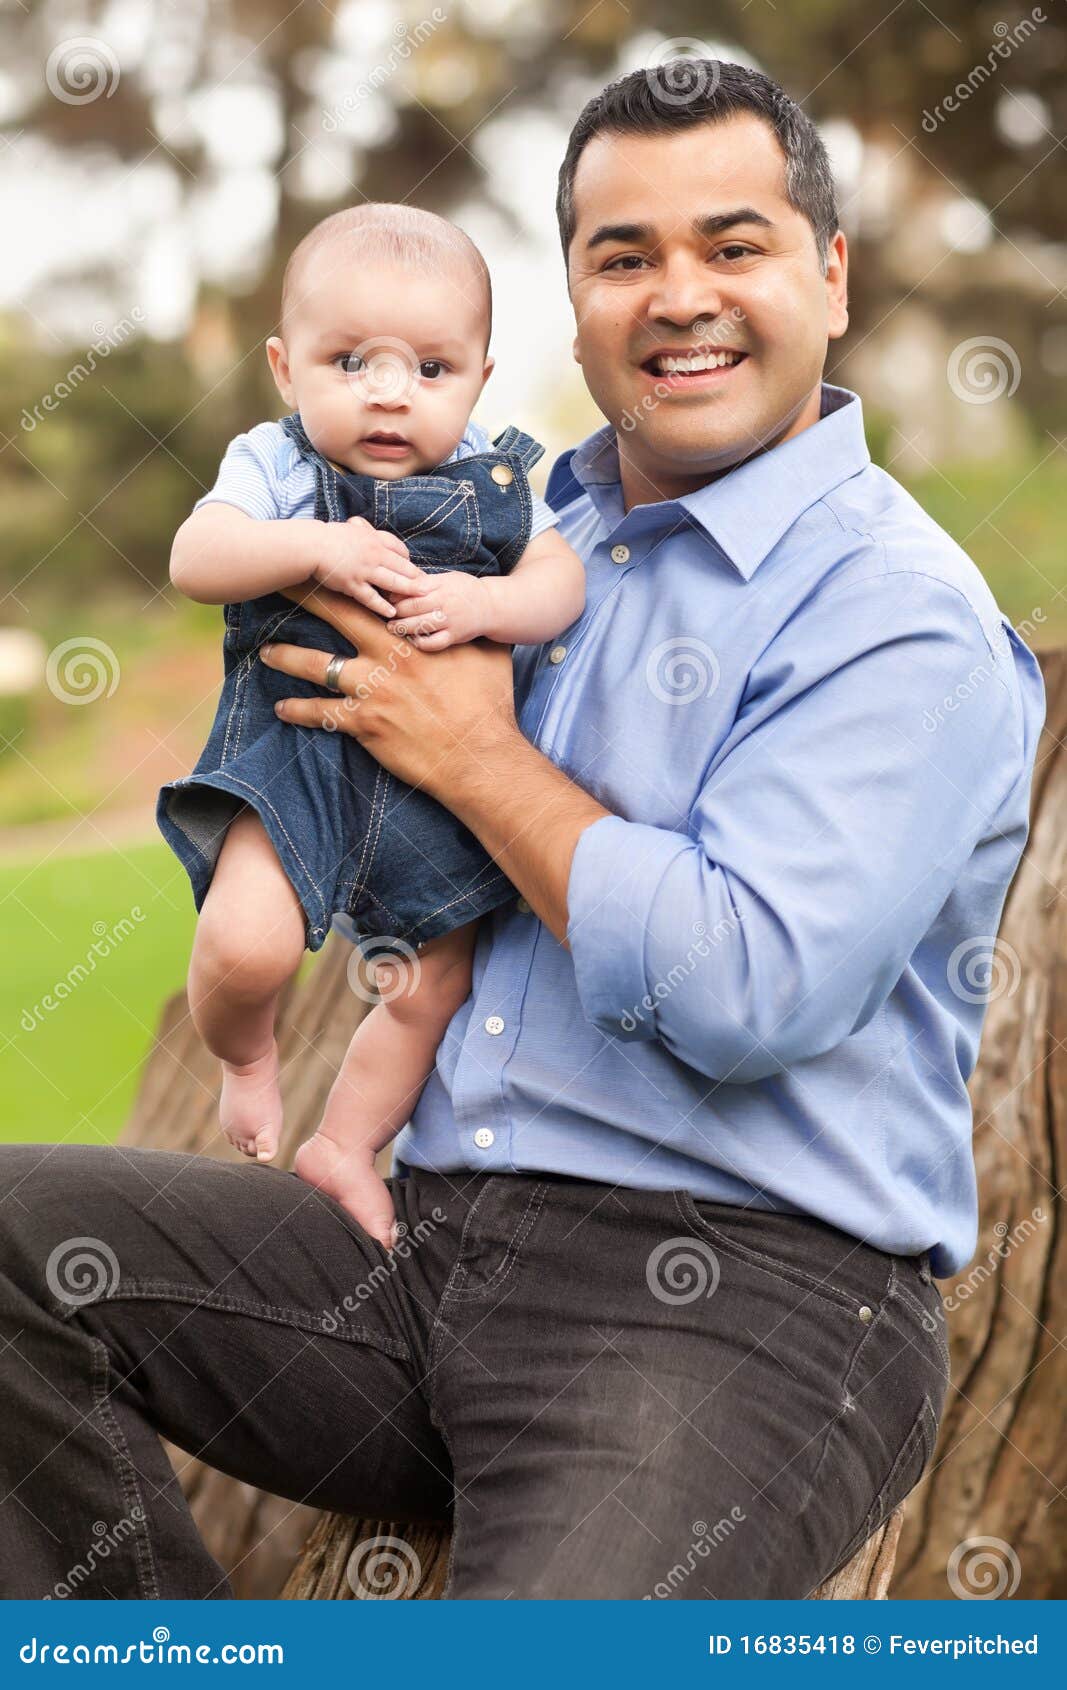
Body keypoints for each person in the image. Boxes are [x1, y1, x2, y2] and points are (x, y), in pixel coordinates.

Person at [0, 60, 1045, 1600]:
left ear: (828, 275)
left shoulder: (897, 615)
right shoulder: (509, 520)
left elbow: (745, 988)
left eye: (732, 244)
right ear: (571, 301)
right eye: (623, 256)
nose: (677, 296)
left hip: (733, 1307)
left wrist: (477, 758)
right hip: (418, 1250)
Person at [156, 204, 585, 1250]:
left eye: (431, 369)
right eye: (350, 360)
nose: (390, 391)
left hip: (438, 790)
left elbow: (558, 577)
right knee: (245, 944)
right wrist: (310, 548)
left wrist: (489, 608)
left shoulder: (493, 470)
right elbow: (195, 557)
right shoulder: (273, 466)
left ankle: (345, 1144)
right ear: (285, 366)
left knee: (432, 983)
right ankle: (246, 1055)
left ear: (481, 378)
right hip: (296, 759)